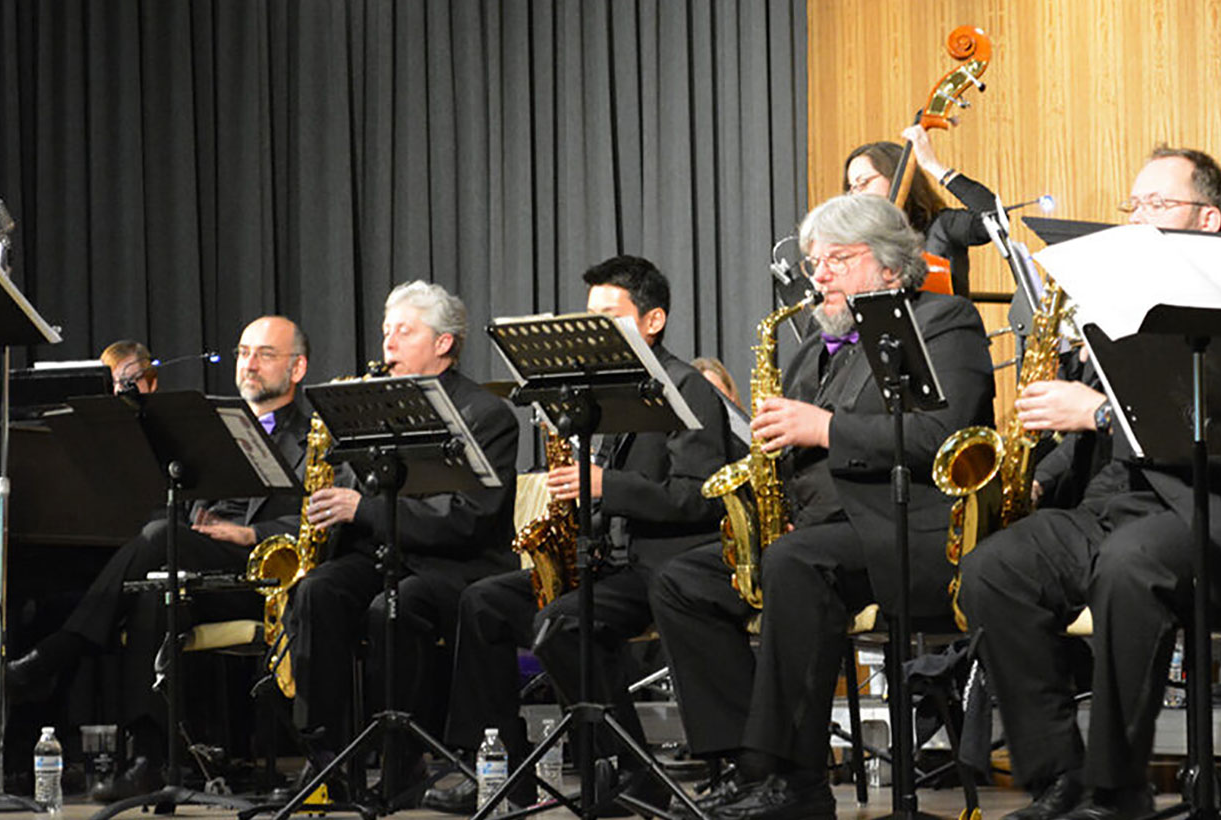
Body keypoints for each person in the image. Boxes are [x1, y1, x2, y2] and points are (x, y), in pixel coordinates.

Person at [957, 146, 1221, 820]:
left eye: (1158, 204)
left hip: (1220, 507)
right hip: (1118, 503)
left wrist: (1093, 411)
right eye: (1135, 205)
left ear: (1208, 218)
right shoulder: (1123, 298)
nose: (1139, 217)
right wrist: (1036, 476)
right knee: (995, 567)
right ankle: (1059, 776)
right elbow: (1087, 428)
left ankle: (1119, 788)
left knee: (1127, 566)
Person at [649, 193, 994, 819]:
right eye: (814, 263)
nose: (821, 275)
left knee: (796, 563)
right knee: (683, 582)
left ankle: (794, 779)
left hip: (908, 527)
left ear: (891, 268)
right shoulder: (812, 345)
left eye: (838, 259)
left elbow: (947, 433)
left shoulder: (944, 321)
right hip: (817, 527)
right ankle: (741, 762)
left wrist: (825, 428)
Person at [420, 256, 740, 814]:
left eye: (609, 316)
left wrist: (603, 485)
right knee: (484, 602)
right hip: (603, 563)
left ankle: (633, 773)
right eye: (588, 317)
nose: (592, 330)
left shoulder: (687, 388)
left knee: (560, 624)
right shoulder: (597, 396)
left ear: (653, 320)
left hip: (660, 567)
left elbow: (698, 497)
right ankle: (498, 766)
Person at [0, 316, 311, 800]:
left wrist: (250, 531)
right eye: (242, 352)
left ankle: (51, 658)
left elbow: (322, 519)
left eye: (265, 354)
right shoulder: (209, 424)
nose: (249, 364)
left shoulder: (316, 434)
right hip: (197, 566)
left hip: (263, 576)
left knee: (157, 539)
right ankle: (150, 760)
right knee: (157, 584)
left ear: (297, 369)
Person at [284, 281, 521, 799]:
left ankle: (405, 758)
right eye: (386, 331)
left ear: (443, 343)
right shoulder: (371, 407)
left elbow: (468, 521)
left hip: (458, 563)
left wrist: (362, 508)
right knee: (317, 590)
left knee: (393, 605)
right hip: (384, 552)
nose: (387, 344)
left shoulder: (487, 416)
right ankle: (327, 754)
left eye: (404, 332)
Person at [843, 125, 997, 296]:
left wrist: (932, 164)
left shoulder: (942, 226)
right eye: (852, 188)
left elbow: (993, 217)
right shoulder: (860, 243)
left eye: (864, 182)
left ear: (895, 177)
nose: (857, 196)